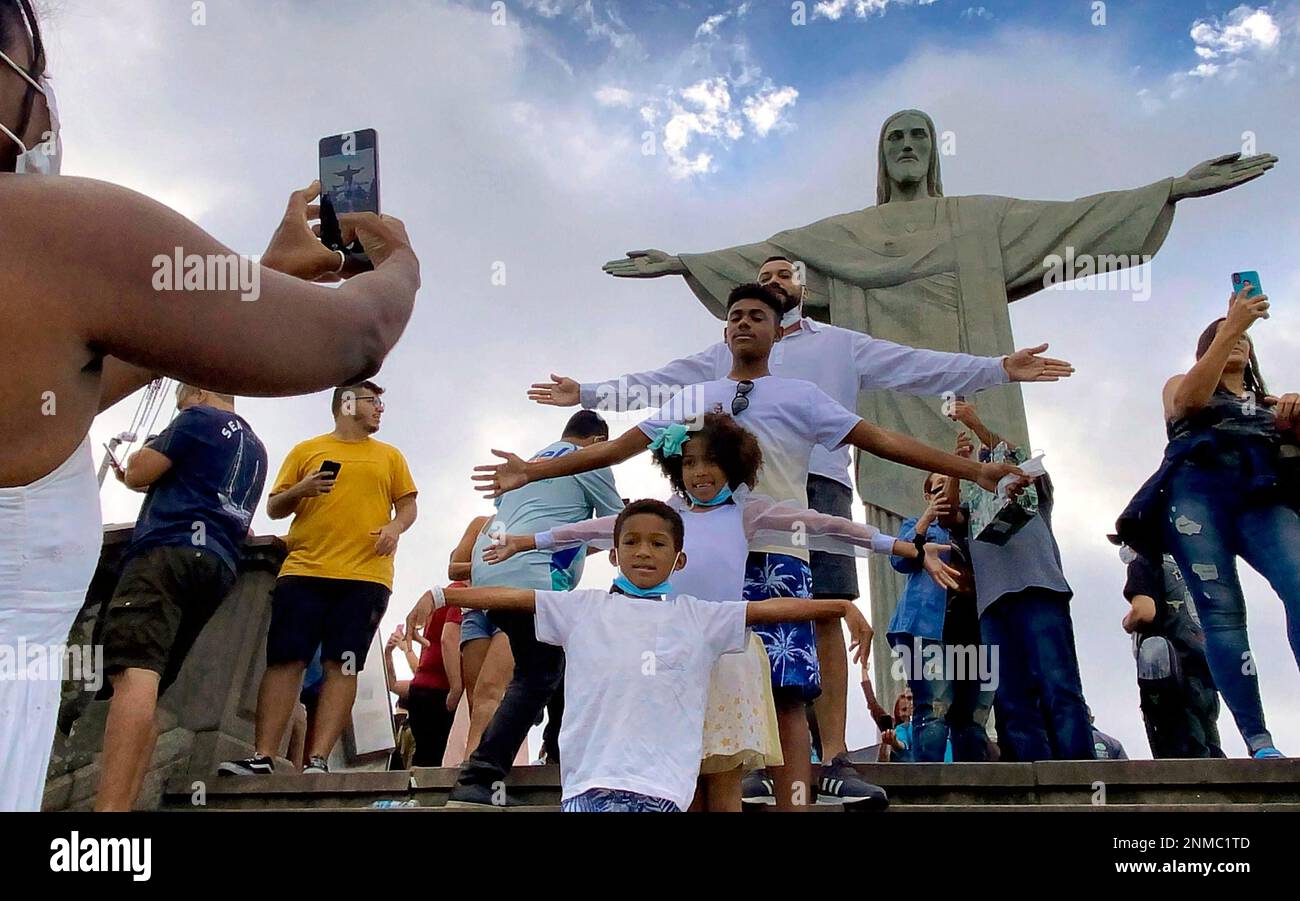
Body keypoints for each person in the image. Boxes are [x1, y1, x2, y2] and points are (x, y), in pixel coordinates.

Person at [0, 1, 420, 811]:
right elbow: (356, 333)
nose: (47, 102)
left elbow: (72, 385)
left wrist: (268, 272)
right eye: (35, 67)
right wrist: (397, 264)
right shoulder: (51, 230)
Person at [529, 255, 1071, 803]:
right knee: (705, 675)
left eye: (766, 300)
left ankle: (827, 760)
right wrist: (544, 454)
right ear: (725, 330)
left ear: (790, 308)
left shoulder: (826, 362)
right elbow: (636, 420)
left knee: (796, 669)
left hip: (797, 517)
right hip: (712, 542)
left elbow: (903, 392)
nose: (750, 314)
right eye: (738, 311)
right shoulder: (699, 393)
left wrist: (993, 391)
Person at [485, 413, 958, 809]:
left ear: (732, 464)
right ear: (677, 468)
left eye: (711, 460)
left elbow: (827, 526)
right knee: (679, 772)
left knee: (725, 774)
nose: (700, 471)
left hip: (728, 658)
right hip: (676, 656)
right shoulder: (666, 515)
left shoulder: (749, 512)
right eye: (689, 462)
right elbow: (591, 530)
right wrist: (526, 542)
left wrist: (903, 546)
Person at [413, 499, 874, 812]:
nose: (643, 552)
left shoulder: (701, 617)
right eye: (631, 542)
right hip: (586, 788)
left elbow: (769, 608)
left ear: (679, 560)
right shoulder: (582, 608)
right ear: (613, 555)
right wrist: (439, 594)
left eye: (658, 544)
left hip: (662, 790)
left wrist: (840, 607)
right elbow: (515, 598)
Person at [1116, 283, 1300, 758]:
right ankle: (1260, 742)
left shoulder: (1269, 402)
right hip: (1195, 497)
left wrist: (1295, 417)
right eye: (1222, 334)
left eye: (1243, 337)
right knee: (1221, 613)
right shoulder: (1180, 383)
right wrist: (1232, 325)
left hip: (1260, 495)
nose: (1236, 339)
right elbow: (1188, 406)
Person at [220, 381, 418, 776]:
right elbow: (275, 506)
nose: (380, 408)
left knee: (342, 665)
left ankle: (318, 760)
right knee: (285, 659)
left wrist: (394, 529)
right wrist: (304, 488)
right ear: (346, 404)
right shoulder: (306, 451)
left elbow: (408, 508)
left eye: (382, 401)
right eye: (372, 401)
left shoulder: (390, 456)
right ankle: (262, 756)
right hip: (305, 570)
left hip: (365, 575)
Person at [431, 411, 624, 808]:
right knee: (537, 675)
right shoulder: (589, 462)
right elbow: (620, 526)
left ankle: (516, 760)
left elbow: (539, 523)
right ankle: (480, 778)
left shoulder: (533, 464)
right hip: (534, 574)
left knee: (538, 671)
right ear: (597, 441)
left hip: (488, 574)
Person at [91, 384, 267, 810]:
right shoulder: (256, 448)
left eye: (182, 399)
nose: (181, 406)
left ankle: (108, 810)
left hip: (166, 549)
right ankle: (128, 801)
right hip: (218, 564)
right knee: (155, 686)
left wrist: (141, 454)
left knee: (133, 674)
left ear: (200, 392)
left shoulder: (197, 420)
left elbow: (139, 472)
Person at [939, 401, 1094, 762]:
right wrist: (958, 467)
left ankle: (1080, 770)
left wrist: (977, 425)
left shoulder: (1031, 484)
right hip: (992, 605)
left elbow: (1015, 456)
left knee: (1059, 685)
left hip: (1040, 589)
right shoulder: (974, 506)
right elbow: (948, 515)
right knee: (1010, 697)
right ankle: (1031, 772)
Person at [887, 471, 993, 762]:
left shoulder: (975, 526)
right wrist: (926, 518)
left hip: (977, 631)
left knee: (973, 720)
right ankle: (929, 794)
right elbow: (898, 559)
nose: (945, 496)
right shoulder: (917, 526)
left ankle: (974, 796)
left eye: (950, 488)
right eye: (937, 490)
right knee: (934, 711)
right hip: (929, 629)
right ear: (927, 496)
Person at [1117, 545, 1223, 759]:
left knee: (1180, 758)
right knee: (1210, 751)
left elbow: (1144, 612)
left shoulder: (1145, 562)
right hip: (1205, 671)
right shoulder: (1191, 564)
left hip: (1169, 675)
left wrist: (1127, 623)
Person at [448, 513, 513, 757]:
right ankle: (480, 757)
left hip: (512, 606)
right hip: (475, 610)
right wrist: (497, 560)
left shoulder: (536, 520)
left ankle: (475, 760)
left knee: (492, 689)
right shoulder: (480, 523)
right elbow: (453, 568)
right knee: (476, 697)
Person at [404, 587, 464, 768]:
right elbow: (449, 639)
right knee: (438, 756)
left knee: (425, 755)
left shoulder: (445, 595)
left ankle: (417, 793)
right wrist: (456, 686)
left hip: (423, 684)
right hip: (441, 688)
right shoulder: (461, 594)